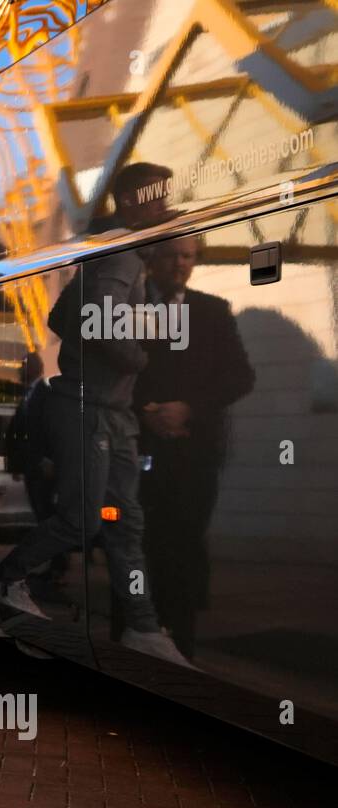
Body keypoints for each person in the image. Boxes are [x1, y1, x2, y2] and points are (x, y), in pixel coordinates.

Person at [0, 162, 190, 666]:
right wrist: (139, 358)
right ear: (130, 202)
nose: (165, 207)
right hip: (90, 409)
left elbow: (62, 316)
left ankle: (143, 628)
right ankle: (9, 577)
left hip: (110, 409)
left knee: (125, 521)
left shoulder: (111, 257)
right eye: (157, 199)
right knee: (84, 521)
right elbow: (100, 325)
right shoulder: (123, 257)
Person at [134, 236, 254, 659]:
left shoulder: (212, 310)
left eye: (188, 256)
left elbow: (240, 377)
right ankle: (135, 633)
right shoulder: (125, 308)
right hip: (135, 451)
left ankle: (179, 643)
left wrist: (188, 410)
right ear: (152, 258)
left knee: (184, 544)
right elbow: (99, 372)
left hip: (193, 454)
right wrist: (143, 413)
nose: (180, 264)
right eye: (171, 255)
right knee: (137, 544)